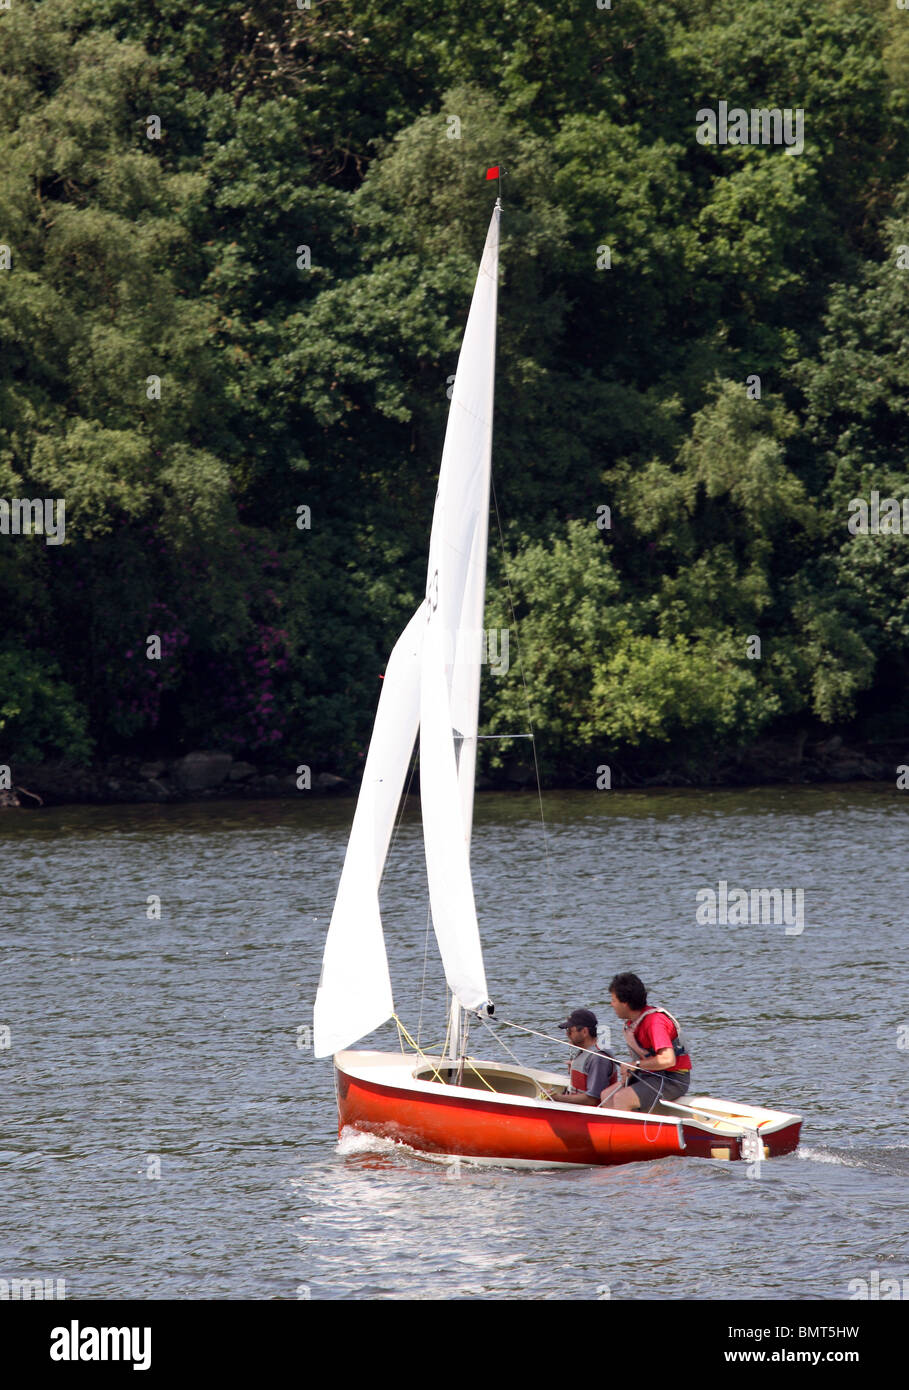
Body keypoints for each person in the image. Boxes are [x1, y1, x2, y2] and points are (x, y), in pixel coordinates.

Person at [602, 973, 692, 1112]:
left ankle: (629, 1133)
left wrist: (636, 1065)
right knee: (607, 1095)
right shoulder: (634, 1023)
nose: (611, 1004)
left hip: (673, 1079)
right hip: (651, 1075)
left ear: (625, 1003)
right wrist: (634, 1069)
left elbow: (668, 1060)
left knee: (622, 1098)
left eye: (613, 1000)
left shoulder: (655, 1022)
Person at [545, 1008, 615, 1105]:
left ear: (584, 1032)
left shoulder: (598, 1058)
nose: (567, 1034)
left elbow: (592, 1100)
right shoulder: (585, 1053)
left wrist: (558, 1098)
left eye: (570, 1031)